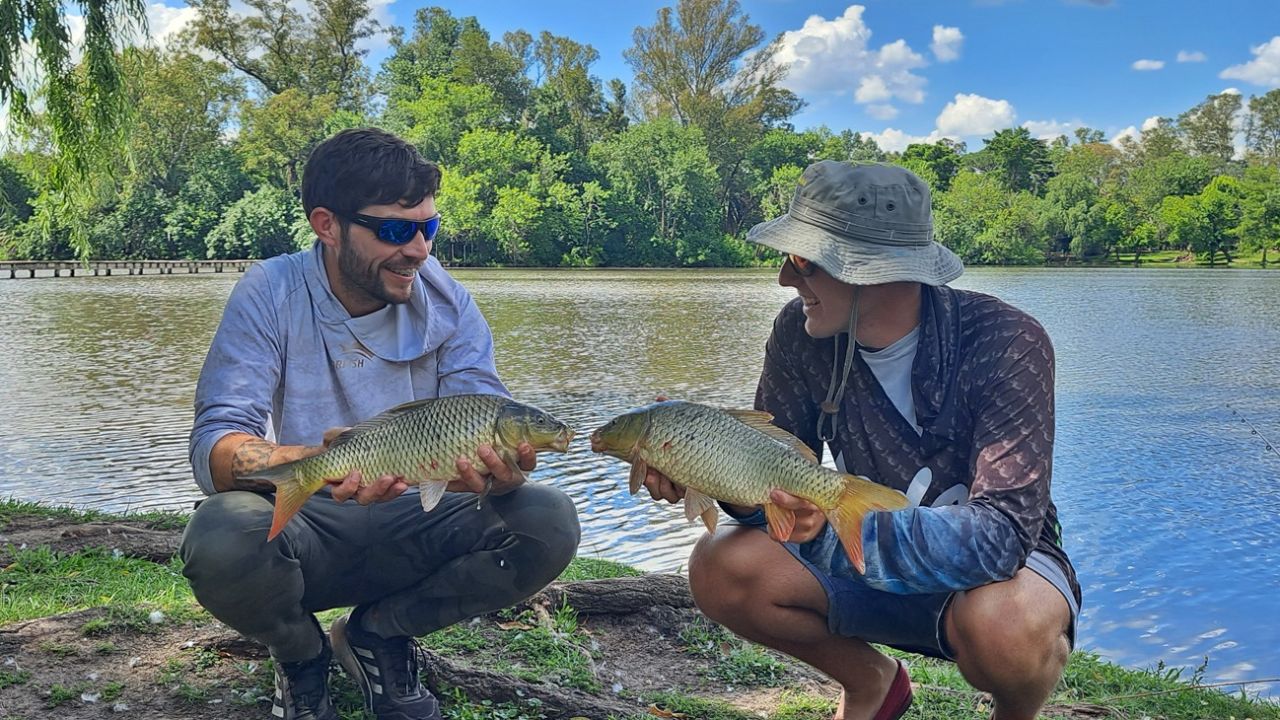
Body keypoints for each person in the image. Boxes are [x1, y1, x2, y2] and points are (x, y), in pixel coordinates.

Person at [641, 161, 1080, 720]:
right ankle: (873, 681)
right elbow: (773, 485)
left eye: (803, 261)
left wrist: (831, 527)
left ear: (871, 271)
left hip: (999, 576)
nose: (784, 279)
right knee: (720, 565)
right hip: (852, 542)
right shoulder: (799, 335)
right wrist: (714, 471)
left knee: (1005, 627)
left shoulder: (1008, 340)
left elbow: (1000, 537)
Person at [180, 127, 581, 720]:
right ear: (327, 224)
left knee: (548, 518)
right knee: (221, 533)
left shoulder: (448, 302)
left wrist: (503, 473)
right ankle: (301, 655)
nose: (418, 249)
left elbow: (485, 424)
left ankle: (379, 634)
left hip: (420, 513)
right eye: (395, 230)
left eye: (428, 228)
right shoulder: (271, 290)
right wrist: (313, 466)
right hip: (312, 522)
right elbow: (215, 444)